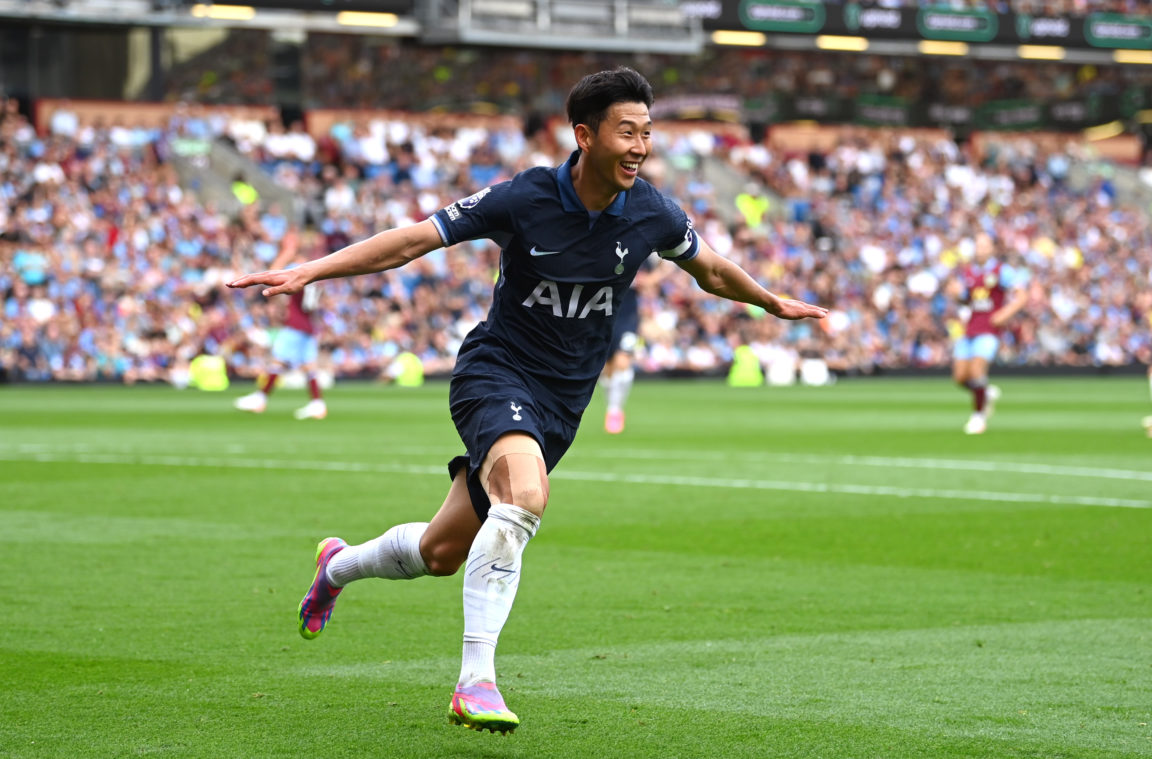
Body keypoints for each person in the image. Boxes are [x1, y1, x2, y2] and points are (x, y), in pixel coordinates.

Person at [227, 67, 827, 734]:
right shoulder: (526, 197)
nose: (639, 146)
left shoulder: (652, 211)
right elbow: (414, 239)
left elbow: (710, 267)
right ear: (584, 135)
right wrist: (313, 268)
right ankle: (475, 680)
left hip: (563, 405)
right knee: (525, 496)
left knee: (440, 552)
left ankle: (336, 566)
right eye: (626, 132)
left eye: (647, 134)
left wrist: (769, 300)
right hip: (497, 372)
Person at [233, 227, 329, 420]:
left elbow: (273, 274)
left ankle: (260, 398)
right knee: (309, 366)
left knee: (277, 360)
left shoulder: (299, 267)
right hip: (308, 324)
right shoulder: (317, 271)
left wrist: (287, 253)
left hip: (295, 324)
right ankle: (317, 404)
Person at [948, 232, 1028, 435]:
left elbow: (1021, 296)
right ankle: (985, 393)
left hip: (989, 329)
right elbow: (968, 300)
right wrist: (957, 295)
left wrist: (1004, 314)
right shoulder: (968, 272)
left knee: (977, 371)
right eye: (978, 245)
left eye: (984, 245)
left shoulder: (1002, 271)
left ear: (992, 248)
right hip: (971, 327)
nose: (980, 249)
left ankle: (978, 416)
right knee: (959, 377)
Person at [600, 284, 639, 434]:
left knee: (623, 360)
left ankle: (614, 411)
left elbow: (650, 280)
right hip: (604, 311)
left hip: (628, 316)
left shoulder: (643, 261)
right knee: (607, 368)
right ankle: (613, 406)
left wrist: (648, 279)